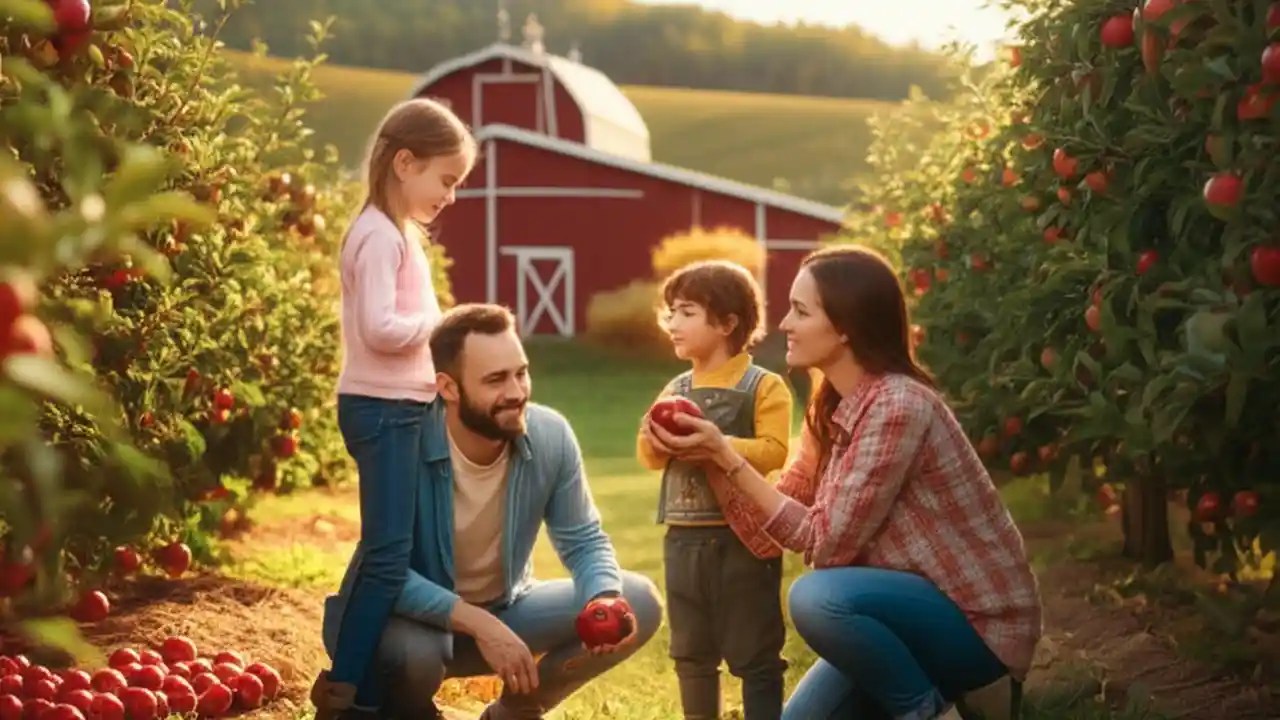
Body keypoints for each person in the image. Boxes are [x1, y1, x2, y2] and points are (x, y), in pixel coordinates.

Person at [648, 245, 1043, 720]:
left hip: (974, 628)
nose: (784, 325)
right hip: (895, 625)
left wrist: (726, 455)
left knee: (816, 597)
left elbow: (825, 545)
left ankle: (932, 712)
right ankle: (924, 695)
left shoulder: (898, 406)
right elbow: (767, 528)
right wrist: (706, 455)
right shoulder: (831, 404)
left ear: (845, 327)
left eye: (800, 311)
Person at [321, 303, 664, 720]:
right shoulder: (401, 446)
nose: (517, 391)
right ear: (448, 387)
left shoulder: (550, 435)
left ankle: (513, 713)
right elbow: (380, 571)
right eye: (496, 379)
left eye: (521, 372)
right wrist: (479, 625)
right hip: (409, 625)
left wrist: (604, 598)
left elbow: (583, 538)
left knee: (639, 602)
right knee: (416, 658)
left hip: (505, 608)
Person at [311, 98, 478, 720]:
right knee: (386, 558)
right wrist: (440, 323)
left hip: (400, 407)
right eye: (447, 179)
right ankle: (346, 693)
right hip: (383, 411)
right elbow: (381, 328)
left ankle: (371, 689)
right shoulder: (378, 235)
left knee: (392, 552)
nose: (452, 195)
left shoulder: (399, 233)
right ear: (404, 162)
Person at [636, 260, 793, 720]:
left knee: (756, 652)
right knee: (691, 650)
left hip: (742, 539)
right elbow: (650, 459)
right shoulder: (675, 388)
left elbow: (774, 451)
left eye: (686, 312)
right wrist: (653, 438)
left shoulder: (764, 385)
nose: (673, 324)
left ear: (727, 323)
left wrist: (717, 444)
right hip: (682, 538)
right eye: (671, 313)